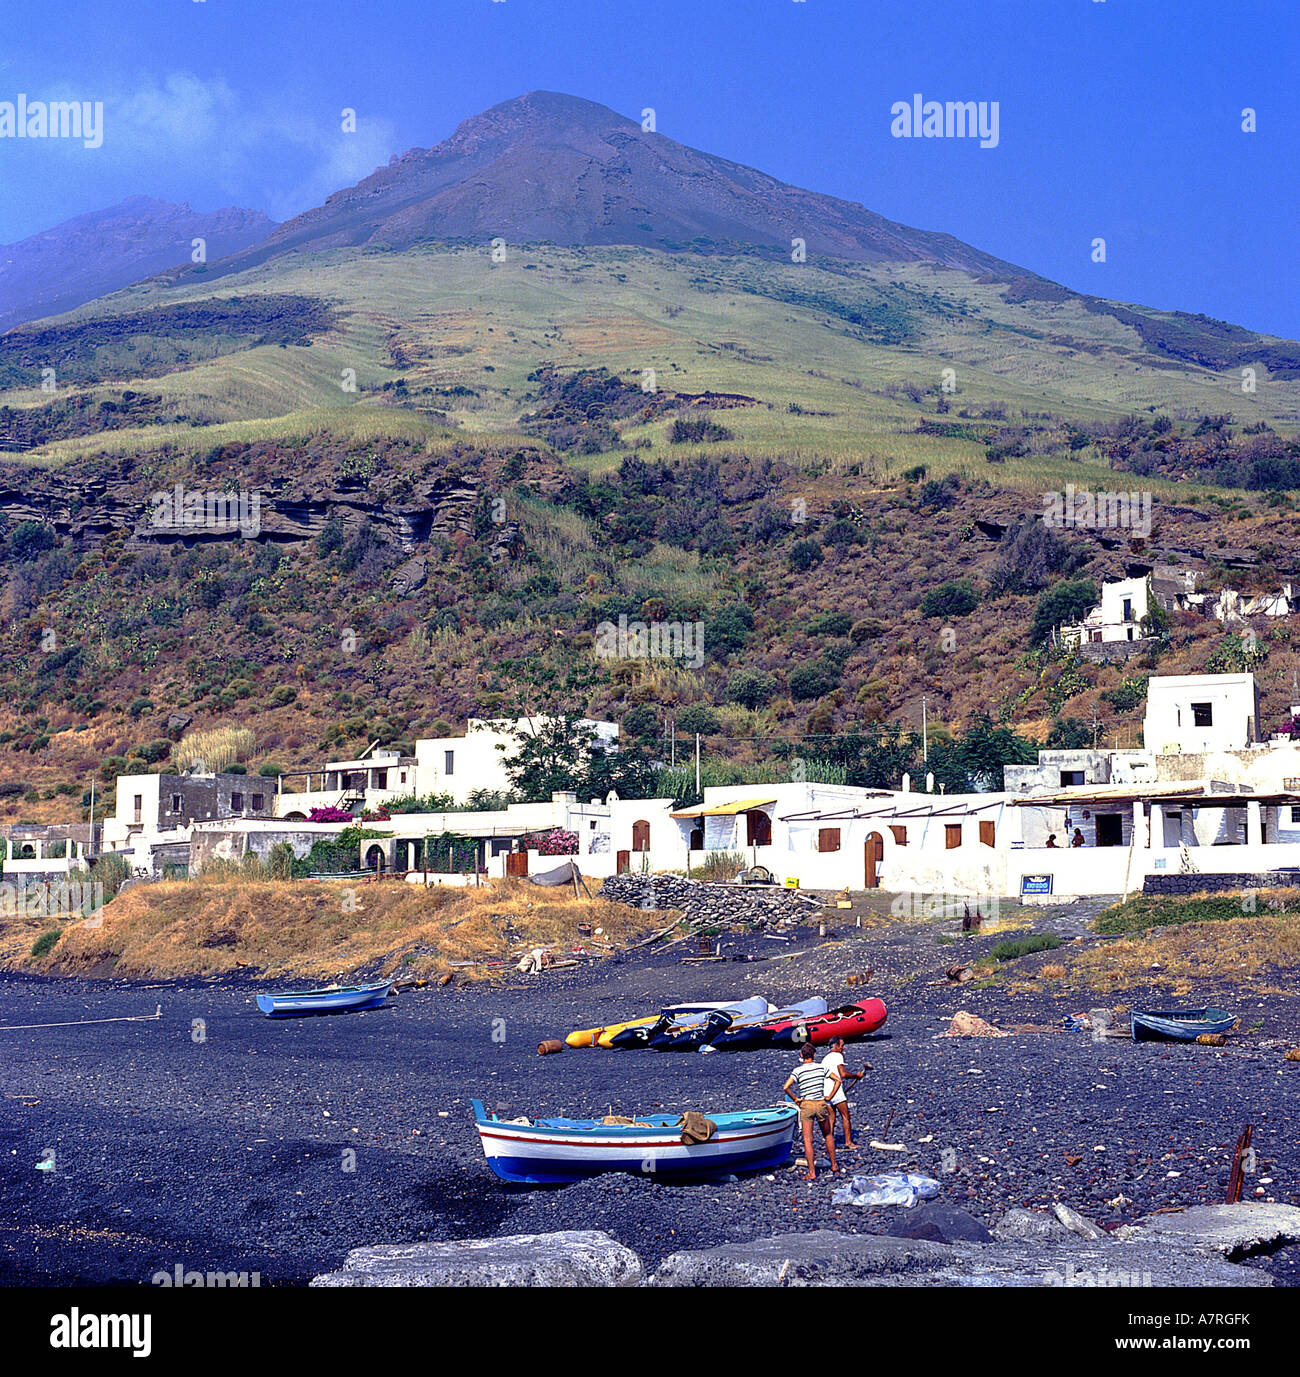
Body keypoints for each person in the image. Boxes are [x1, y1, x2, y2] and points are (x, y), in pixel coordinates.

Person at [783, 1042, 838, 1181]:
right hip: (820, 1103)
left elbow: (786, 1087)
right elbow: (837, 1080)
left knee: (808, 1140)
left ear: (801, 1055)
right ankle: (834, 1165)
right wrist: (830, 1097)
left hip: (806, 1105)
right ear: (814, 1055)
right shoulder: (821, 1068)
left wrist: (795, 1099)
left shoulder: (798, 1071)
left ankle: (812, 1172)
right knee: (828, 1134)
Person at [821, 1036, 866, 1149]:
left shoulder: (825, 1059)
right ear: (835, 1046)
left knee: (831, 1118)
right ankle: (848, 1142)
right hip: (836, 1092)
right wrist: (856, 1075)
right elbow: (843, 1074)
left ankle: (830, 1142)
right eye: (842, 1045)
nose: (843, 1048)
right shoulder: (837, 1056)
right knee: (846, 1116)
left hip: (826, 1091)